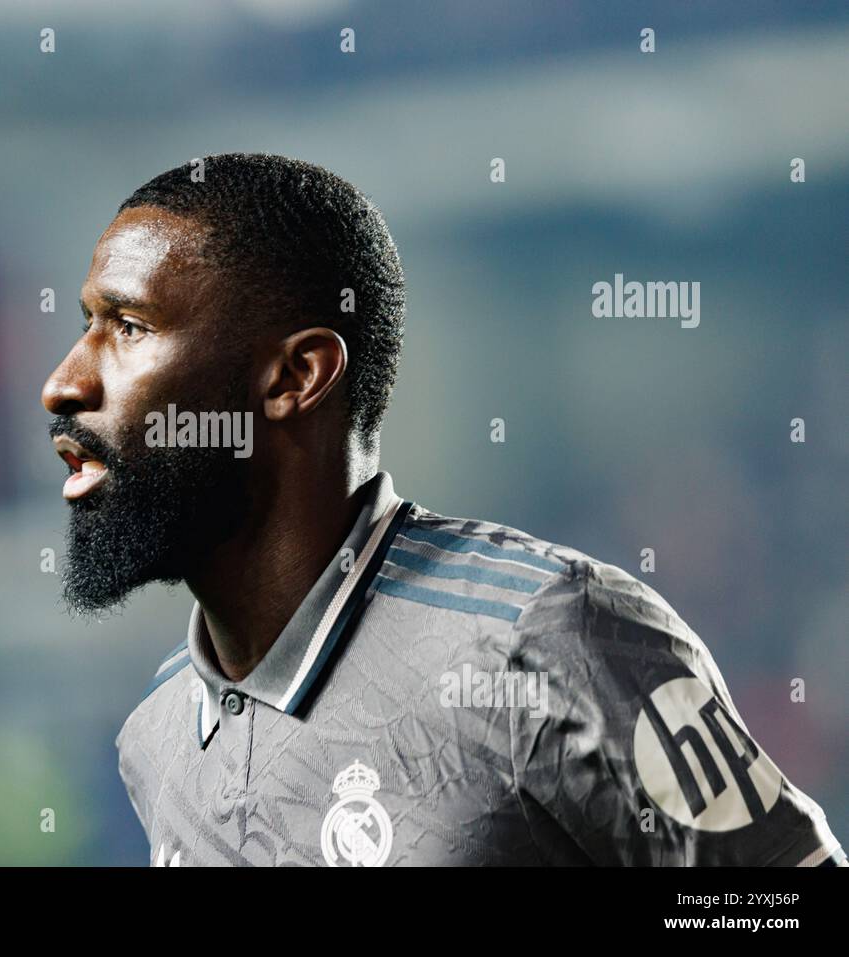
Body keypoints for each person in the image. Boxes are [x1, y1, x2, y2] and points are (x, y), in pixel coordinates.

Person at [41, 153, 844, 866]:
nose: (64, 382)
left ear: (295, 377)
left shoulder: (545, 636)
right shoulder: (157, 734)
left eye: (130, 326)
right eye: (86, 325)